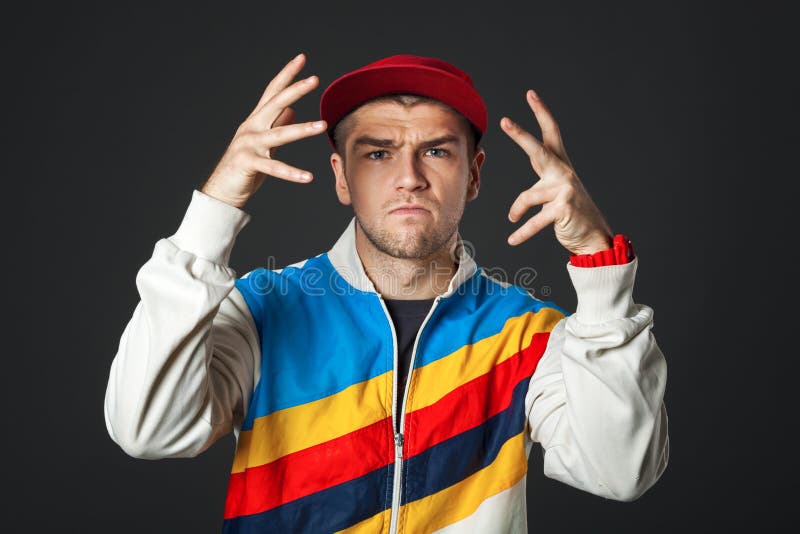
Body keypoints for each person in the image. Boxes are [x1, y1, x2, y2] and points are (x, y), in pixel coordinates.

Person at [104, 52, 669, 533]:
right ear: (341, 177)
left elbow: (620, 471)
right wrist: (213, 212)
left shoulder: (528, 334)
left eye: (436, 151)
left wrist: (597, 264)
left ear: (474, 176)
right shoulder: (261, 309)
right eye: (378, 153)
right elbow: (148, 430)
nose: (408, 177)